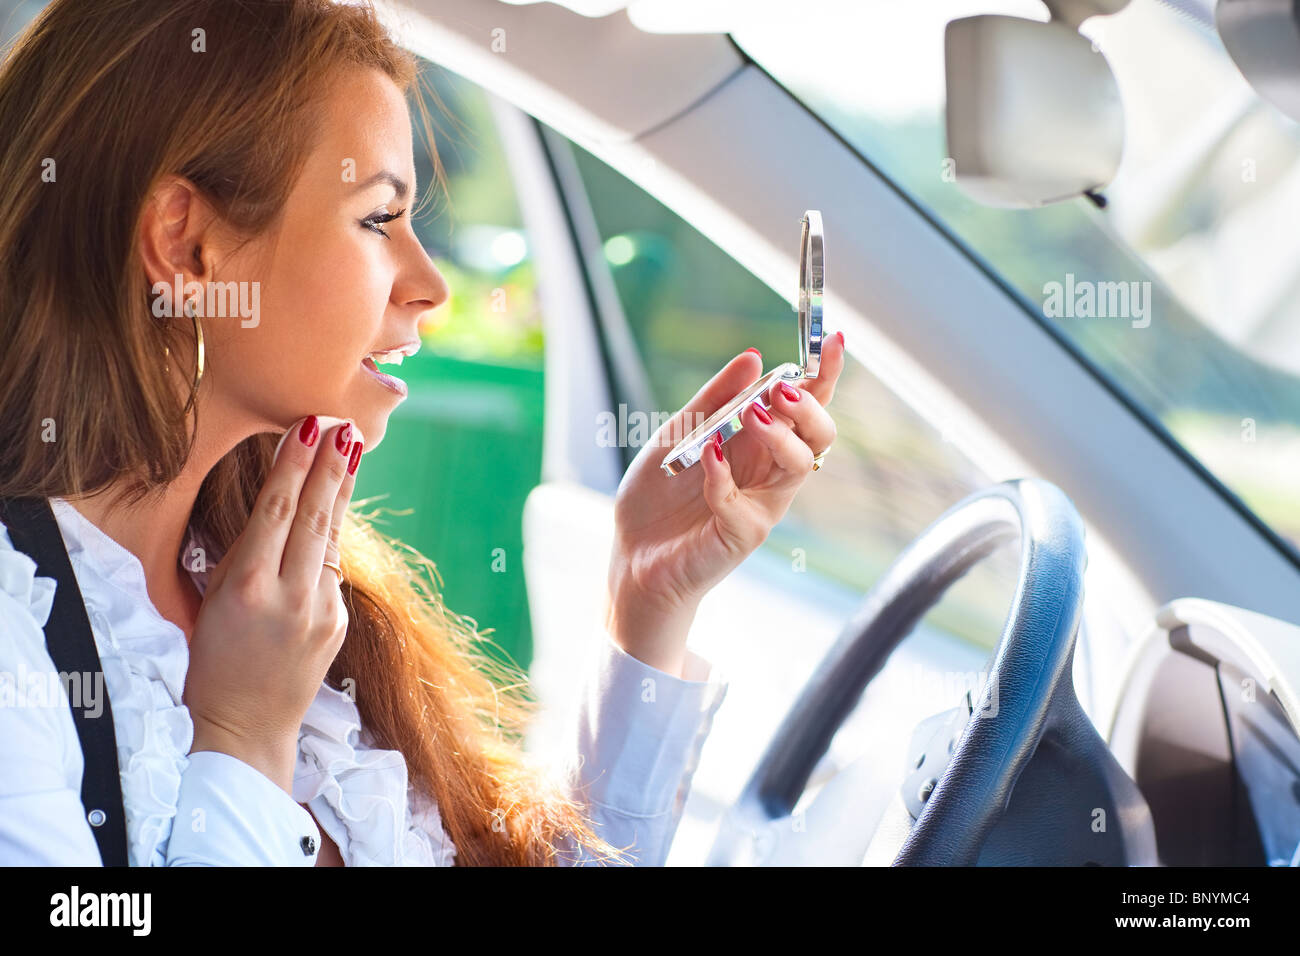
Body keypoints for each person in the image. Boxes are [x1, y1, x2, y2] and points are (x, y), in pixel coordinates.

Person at [0, 0, 843, 866]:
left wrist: (647, 601)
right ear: (187, 247)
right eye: (376, 219)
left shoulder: (275, 579)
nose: (430, 284)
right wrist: (243, 735)